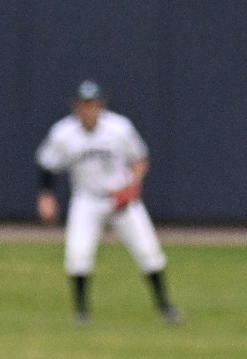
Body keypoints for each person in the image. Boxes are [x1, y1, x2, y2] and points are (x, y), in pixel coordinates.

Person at [35, 80, 180, 325]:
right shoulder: (63, 133)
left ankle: (164, 305)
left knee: (148, 251)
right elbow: (47, 164)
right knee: (77, 255)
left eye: (92, 104)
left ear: (101, 105)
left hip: (120, 199)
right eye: (84, 104)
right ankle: (81, 312)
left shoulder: (119, 128)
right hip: (87, 199)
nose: (89, 109)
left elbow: (140, 158)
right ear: (75, 107)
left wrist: (133, 184)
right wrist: (46, 196)